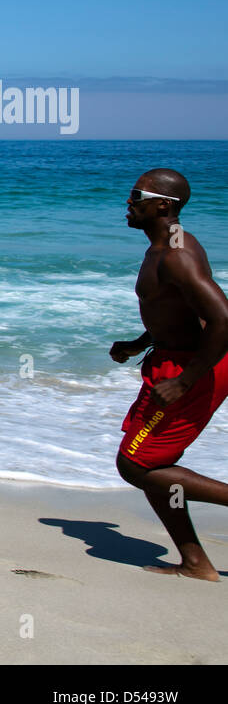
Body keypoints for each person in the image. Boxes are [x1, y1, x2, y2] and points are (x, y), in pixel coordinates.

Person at [111, 169, 228, 581]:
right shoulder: (162, 248)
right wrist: (140, 342)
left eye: (136, 196)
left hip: (193, 367)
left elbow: (222, 319)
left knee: (136, 465)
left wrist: (185, 380)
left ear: (163, 204)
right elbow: (176, 310)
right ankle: (195, 562)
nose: (129, 203)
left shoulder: (177, 254)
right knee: (157, 469)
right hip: (171, 359)